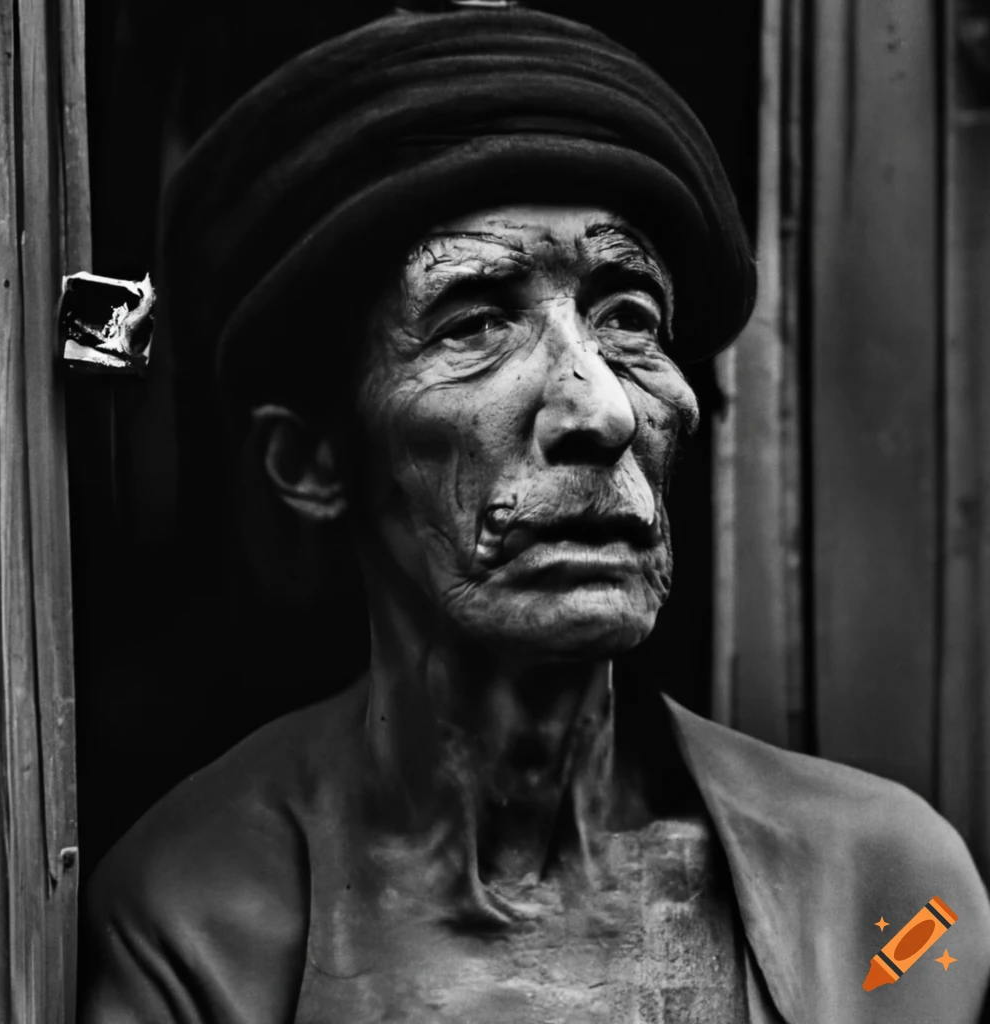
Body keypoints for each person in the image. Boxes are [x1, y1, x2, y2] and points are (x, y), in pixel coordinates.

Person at [79, 6, 990, 1023]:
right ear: (314, 461)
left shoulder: (881, 895)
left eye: (628, 319)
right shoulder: (202, 928)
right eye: (472, 324)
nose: (598, 407)